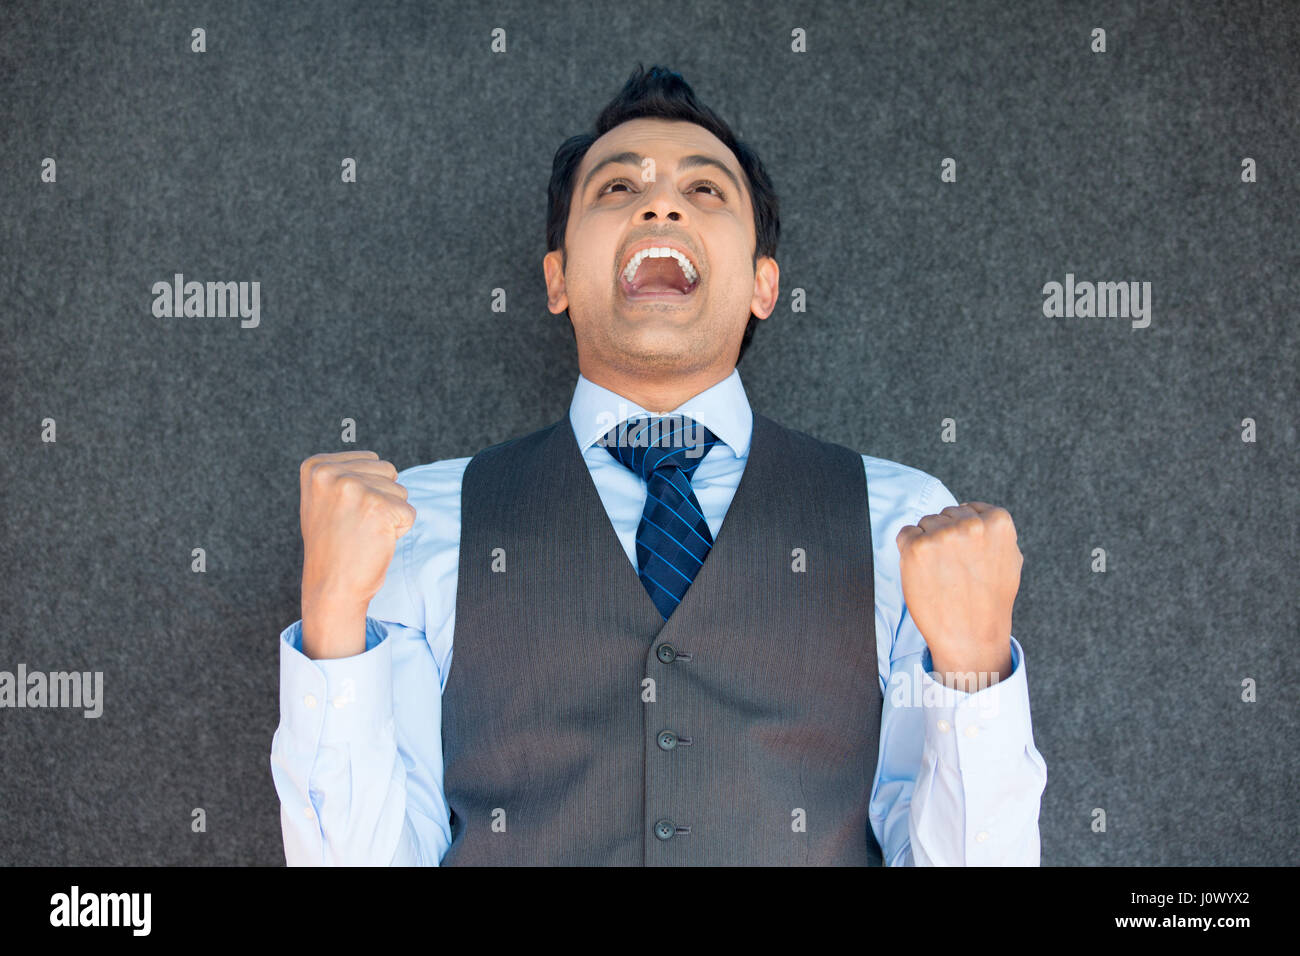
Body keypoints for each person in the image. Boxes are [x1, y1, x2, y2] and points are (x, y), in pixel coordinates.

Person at [270, 64, 1047, 866]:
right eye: (615, 189)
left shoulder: (904, 523)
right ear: (558, 278)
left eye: (706, 191)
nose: (660, 202)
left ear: (762, 284)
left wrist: (976, 671)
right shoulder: (418, 524)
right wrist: (331, 616)